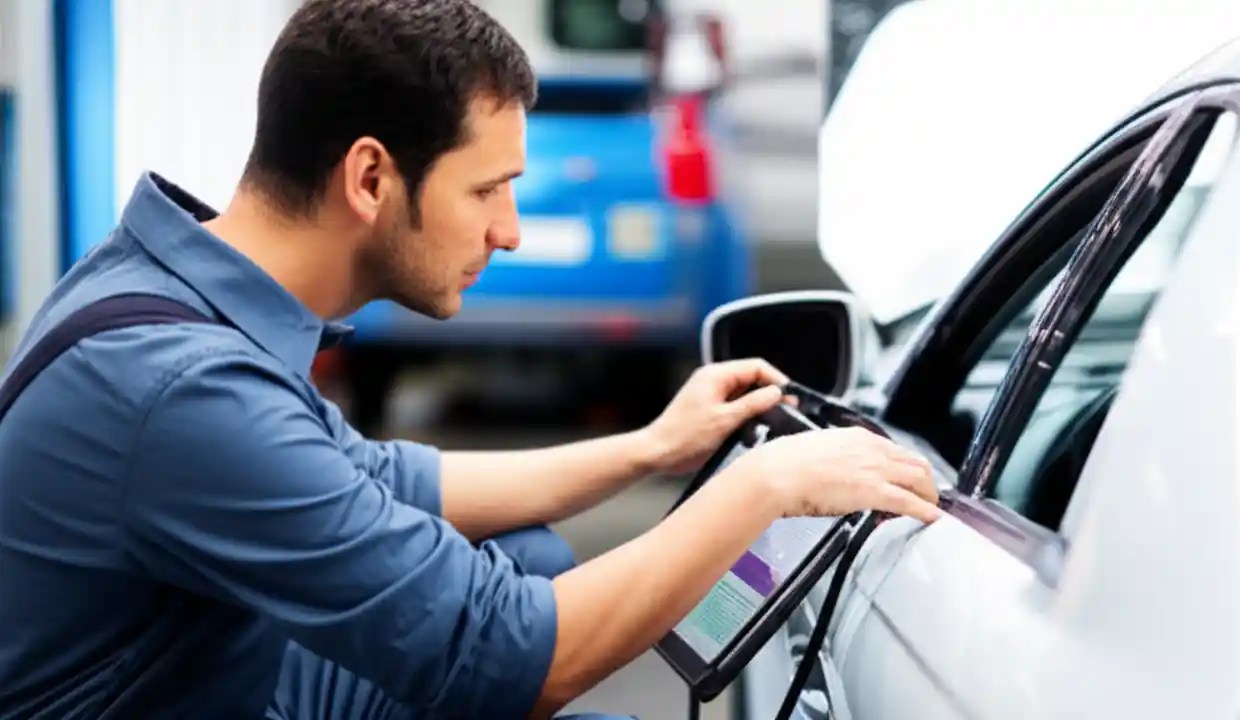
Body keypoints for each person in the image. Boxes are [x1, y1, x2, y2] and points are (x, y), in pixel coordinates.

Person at [0, 1, 941, 718]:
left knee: (521, 555)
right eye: (487, 189)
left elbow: (383, 480)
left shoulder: (182, 292)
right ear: (370, 178)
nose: (512, 232)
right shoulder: (185, 389)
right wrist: (765, 490)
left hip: (229, 678)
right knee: (516, 632)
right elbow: (500, 658)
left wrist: (655, 448)